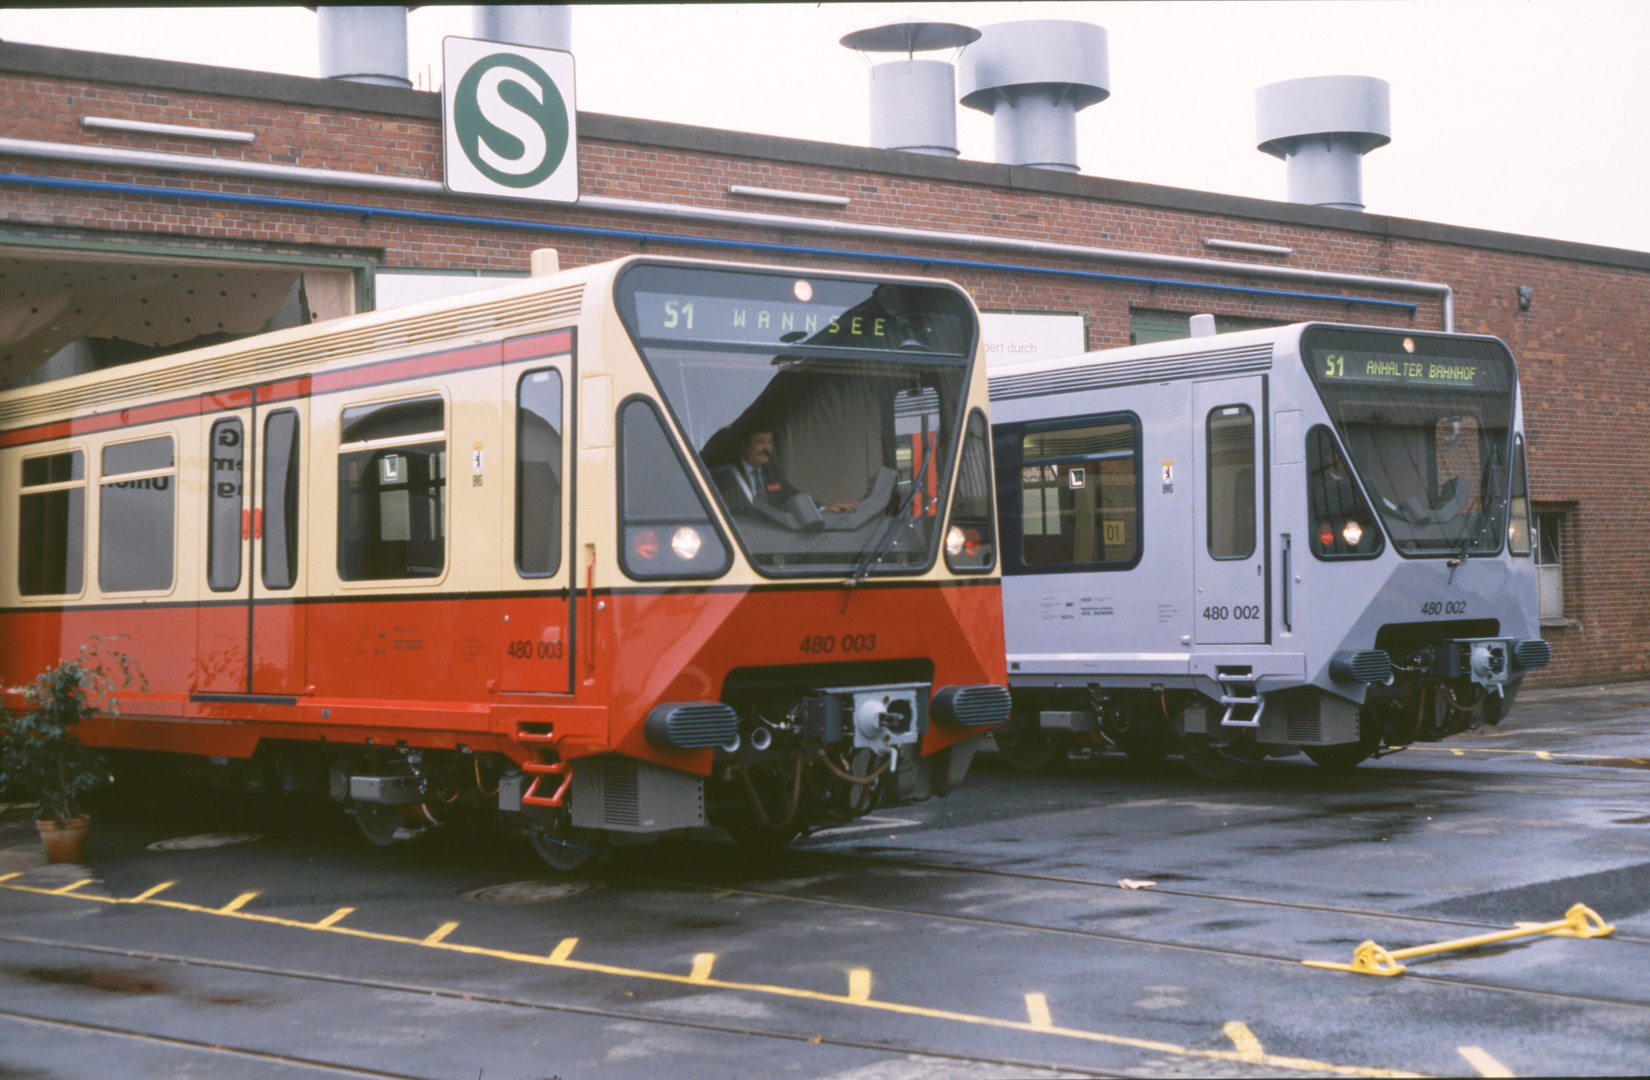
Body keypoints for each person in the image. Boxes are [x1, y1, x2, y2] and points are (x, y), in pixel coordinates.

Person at [712, 427, 858, 516]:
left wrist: (826, 510)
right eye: (760, 442)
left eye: (769, 443)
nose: (766, 448)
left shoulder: (773, 474)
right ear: (744, 445)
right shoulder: (726, 475)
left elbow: (793, 496)